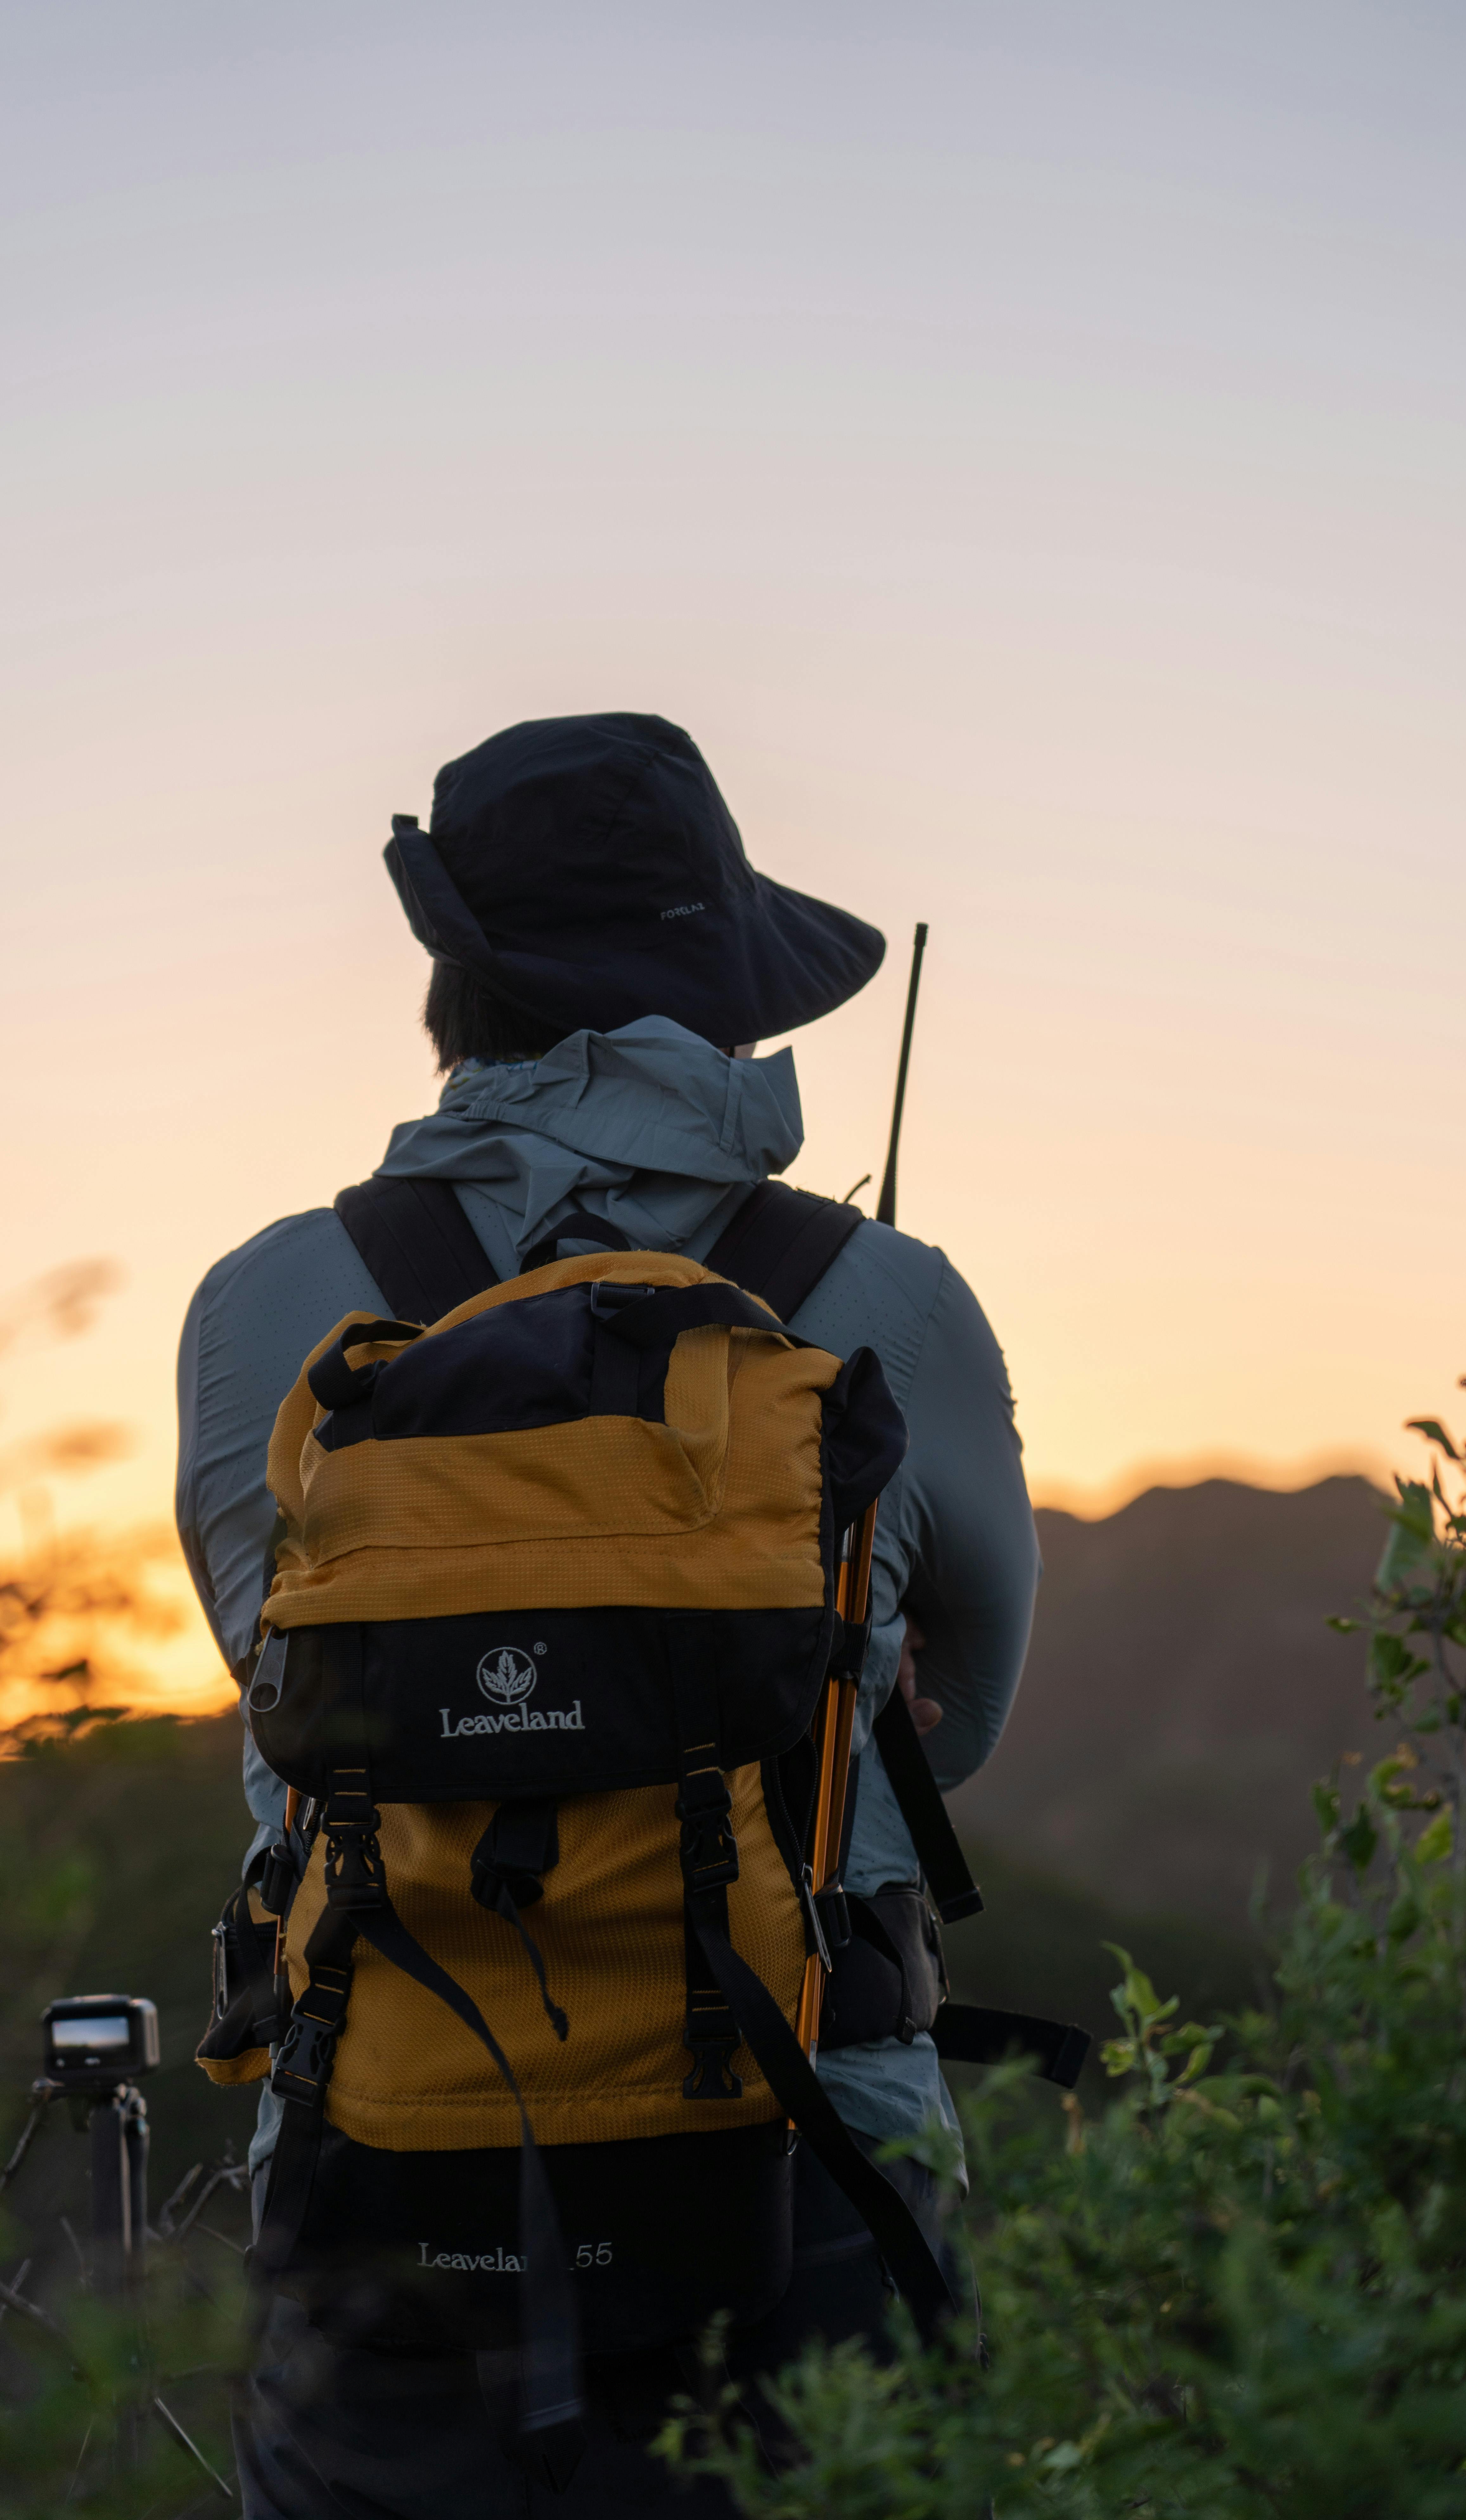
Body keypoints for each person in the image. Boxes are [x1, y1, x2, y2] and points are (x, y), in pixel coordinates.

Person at [175, 712, 1039, 2516]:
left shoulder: (272, 1309)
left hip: (379, 2160)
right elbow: (973, 1694)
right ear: (725, 987)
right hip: (806, 2154)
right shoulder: (880, 1295)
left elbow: (276, 1682)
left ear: (452, 985)